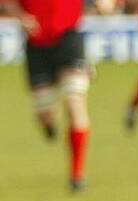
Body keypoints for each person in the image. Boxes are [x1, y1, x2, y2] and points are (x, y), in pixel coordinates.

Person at [2, 0, 106, 191]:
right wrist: (21, 17)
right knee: (45, 113)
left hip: (69, 38)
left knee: (74, 101)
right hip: (37, 44)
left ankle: (77, 175)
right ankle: (49, 124)